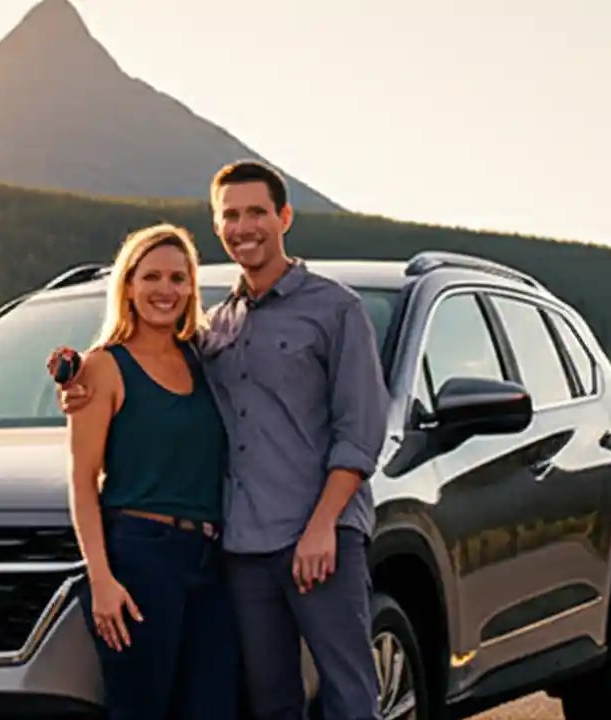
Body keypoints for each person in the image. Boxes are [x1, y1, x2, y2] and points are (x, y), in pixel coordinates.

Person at [52, 160, 390, 720]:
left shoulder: (336, 310)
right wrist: (73, 380)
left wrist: (324, 524)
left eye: (257, 212)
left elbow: (361, 431)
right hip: (237, 551)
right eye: (230, 215)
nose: (244, 226)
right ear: (218, 226)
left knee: (349, 696)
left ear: (283, 217)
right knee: (264, 703)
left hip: (317, 540)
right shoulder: (219, 329)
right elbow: (124, 426)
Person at [59, 222, 240, 720]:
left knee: (214, 709)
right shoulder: (103, 367)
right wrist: (101, 579)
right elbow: (82, 481)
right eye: (152, 277)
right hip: (141, 559)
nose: (166, 290)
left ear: (191, 288)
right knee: (142, 709)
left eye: (178, 279)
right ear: (129, 285)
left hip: (211, 559)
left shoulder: (203, 360)